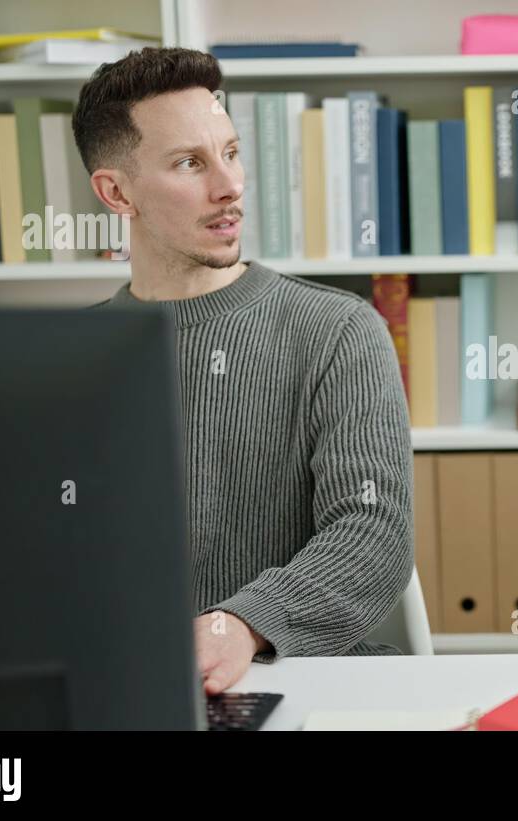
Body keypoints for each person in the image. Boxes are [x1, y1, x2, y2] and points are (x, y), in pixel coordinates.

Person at [73, 47, 413, 694]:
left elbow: (373, 533)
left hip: (299, 681)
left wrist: (243, 625)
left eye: (230, 152)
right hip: (124, 687)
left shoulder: (338, 331)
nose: (228, 185)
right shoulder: (69, 356)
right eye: (189, 163)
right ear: (116, 192)